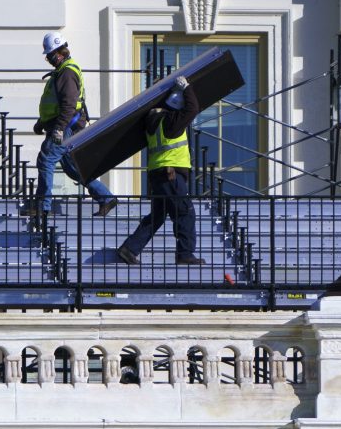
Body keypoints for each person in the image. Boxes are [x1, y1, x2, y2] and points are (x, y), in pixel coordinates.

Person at [20, 32, 116, 220]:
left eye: (49, 56)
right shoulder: (63, 71)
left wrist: (58, 128)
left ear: (59, 53)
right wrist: (42, 123)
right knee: (72, 168)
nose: (48, 60)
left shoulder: (67, 72)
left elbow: (68, 105)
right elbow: (55, 103)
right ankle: (106, 198)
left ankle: (42, 206)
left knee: (46, 159)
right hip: (63, 125)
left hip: (65, 126)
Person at [116, 76, 205, 267]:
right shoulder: (171, 121)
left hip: (158, 175)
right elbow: (193, 108)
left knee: (157, 215)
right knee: (184, 213)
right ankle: (185, 254)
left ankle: (129, 249)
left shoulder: (151, 121)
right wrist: (187, 88)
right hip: (171, 174)